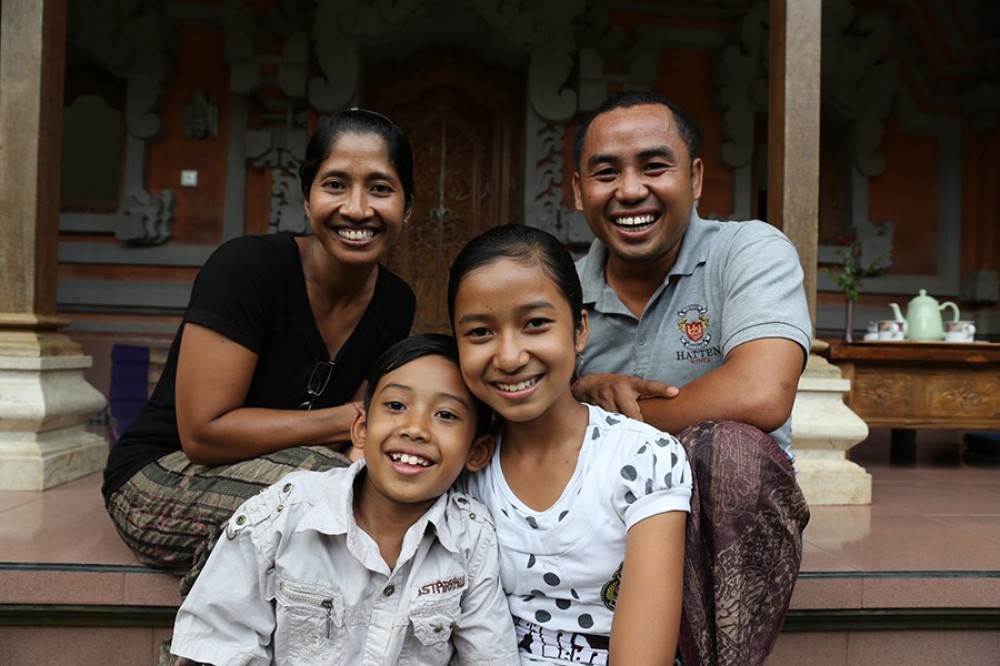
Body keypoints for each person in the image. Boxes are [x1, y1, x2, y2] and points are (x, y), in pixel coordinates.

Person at [102, 108, 417, 593]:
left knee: (378, 490)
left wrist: (359, 433)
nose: (357, 208)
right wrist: (349, 417)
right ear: (308, 200)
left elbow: (355, 442)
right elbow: (204, 434)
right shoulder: (247, 269)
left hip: (295, 472)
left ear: (407, 207)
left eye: (380, 188)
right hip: (161, 475)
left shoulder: (396, 302)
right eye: (335, 184)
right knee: (335, 498)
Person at [570, 89, 812, 665]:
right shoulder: (559, 291)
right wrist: (577, 391)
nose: (630, 190)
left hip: (724, 524)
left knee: (729, 450)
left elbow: (761, 392)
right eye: (606, 173)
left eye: (654, 166)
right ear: (579, 192)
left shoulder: (747, 251)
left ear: (696, 177)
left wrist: (596, 418)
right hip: (602, 528)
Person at [168, 333, 520, 666]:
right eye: (396, 405)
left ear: (477, 451)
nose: (415, 428)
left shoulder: (470, 538)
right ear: (362, 429)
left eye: (446, 414)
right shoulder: (283, 516)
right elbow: (219, 645)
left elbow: (489, 655)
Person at [447, 224, 693, 665]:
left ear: (580, 329)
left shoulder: (640, 458)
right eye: (480, 333)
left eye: (535, 324)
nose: (509, 356)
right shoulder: (464, 466)